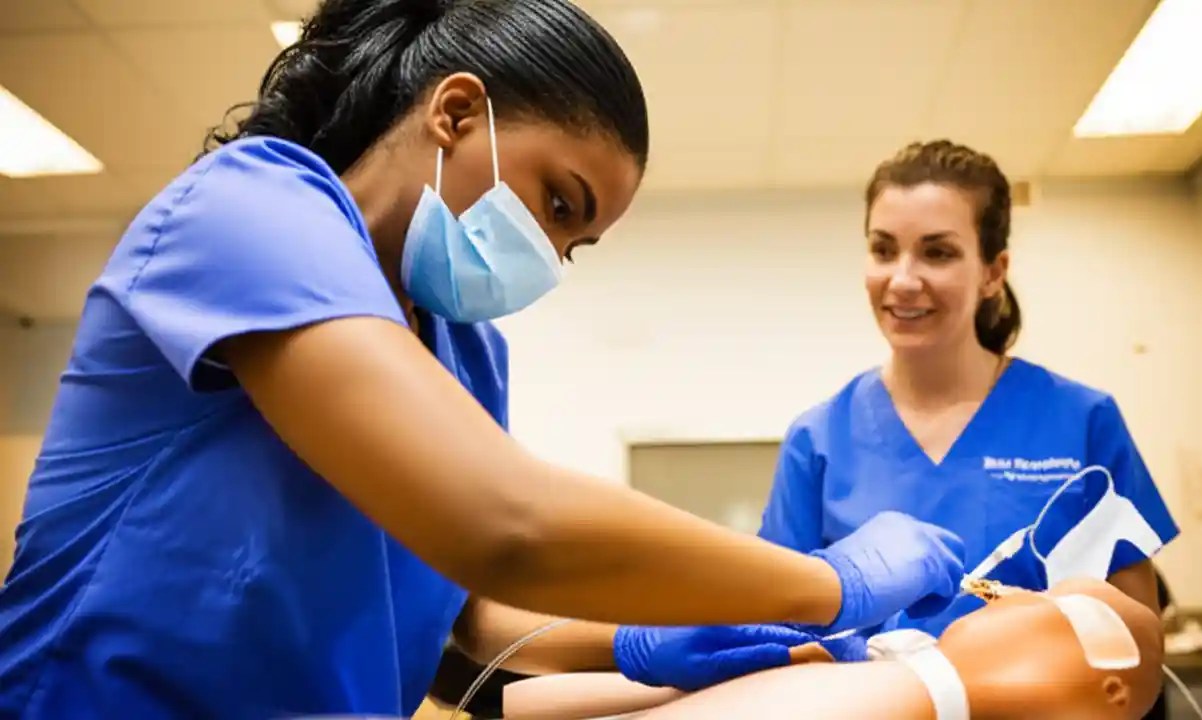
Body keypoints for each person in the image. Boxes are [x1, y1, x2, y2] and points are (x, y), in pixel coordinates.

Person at [0, 2, 967, 717]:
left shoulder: (464, 348)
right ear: (457, 113)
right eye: (558, 204)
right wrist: (824, 584)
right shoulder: (252, 211)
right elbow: (499, 524)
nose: (548, 257)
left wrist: (655, 642)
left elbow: (477, 630)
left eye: (573, 244)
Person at [758, 139, 1180, 641]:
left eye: (937, 253)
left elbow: (1139, 639)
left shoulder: (1082, 421)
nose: (903, 279)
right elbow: (777, 630)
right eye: (883, 249)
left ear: (993, 272)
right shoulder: (819, 439)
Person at [501, 577, 1167, 720]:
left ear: (1108, 691)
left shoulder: (915, 694)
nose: (1000, 593)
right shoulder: (897, 685)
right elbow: (515, 705)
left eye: (1037, 600)